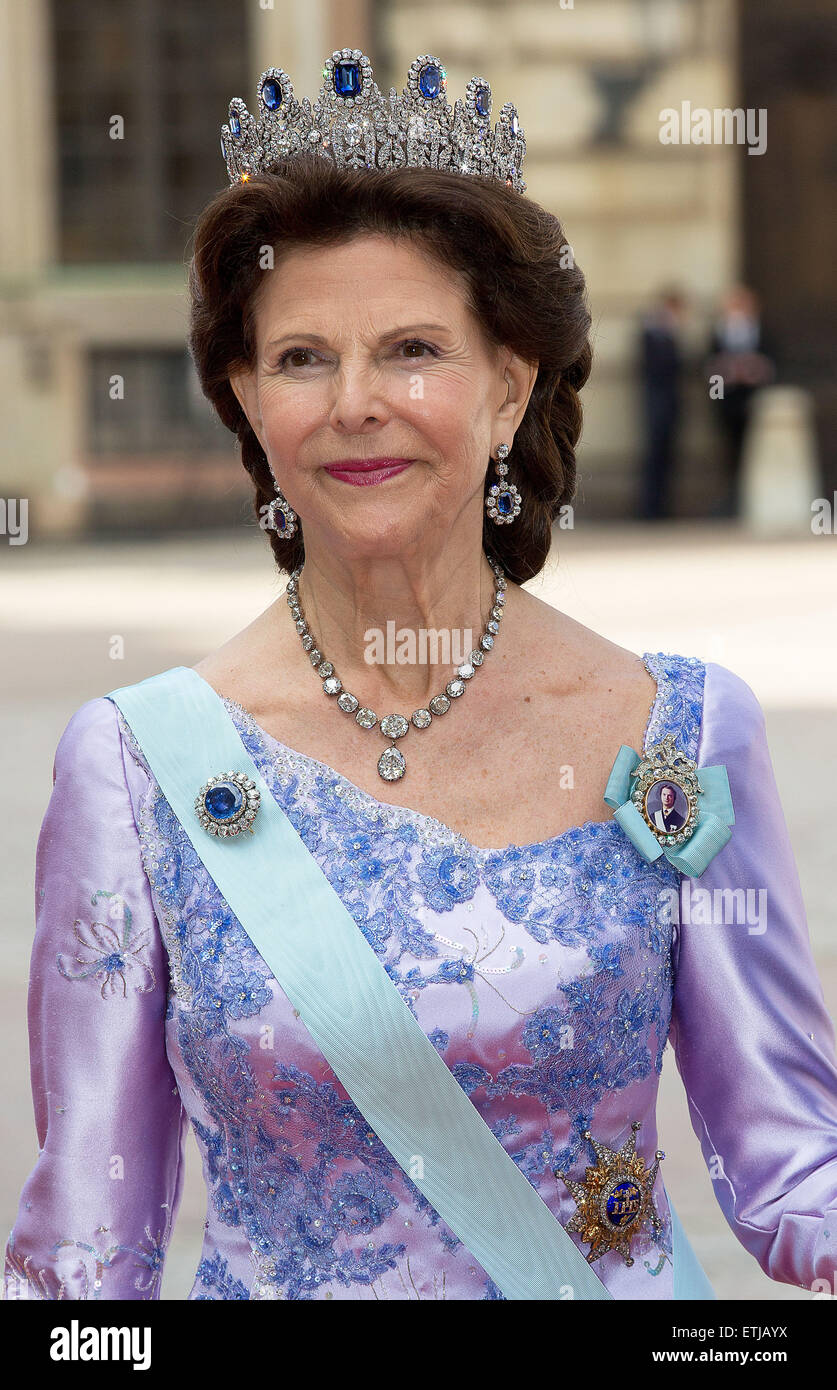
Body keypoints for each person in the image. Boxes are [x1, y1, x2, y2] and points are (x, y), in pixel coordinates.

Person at [5, 50, 837, 1302]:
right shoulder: (134, 767)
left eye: (411, 351)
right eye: (298, 360)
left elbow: (796, 1170)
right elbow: (82, 1256)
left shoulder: (678, 727)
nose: (355, 405)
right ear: (244, 397)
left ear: (509, 387)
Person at [705, 285, 775, 516]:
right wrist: (727, 373)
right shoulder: (718, 333)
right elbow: (708, 369)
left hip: (753, 402)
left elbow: (771, 366)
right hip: (726, 402)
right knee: (728, 453)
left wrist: (756, 371)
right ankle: (731, 503)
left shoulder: (762, 332)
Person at [637, 289, 686, 520]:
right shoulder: (653, 333)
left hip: (669, 404)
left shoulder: (670, 334)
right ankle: (650, 509)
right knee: (654, 455)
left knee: (666, 456)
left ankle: (661, 508)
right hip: (656, 403)